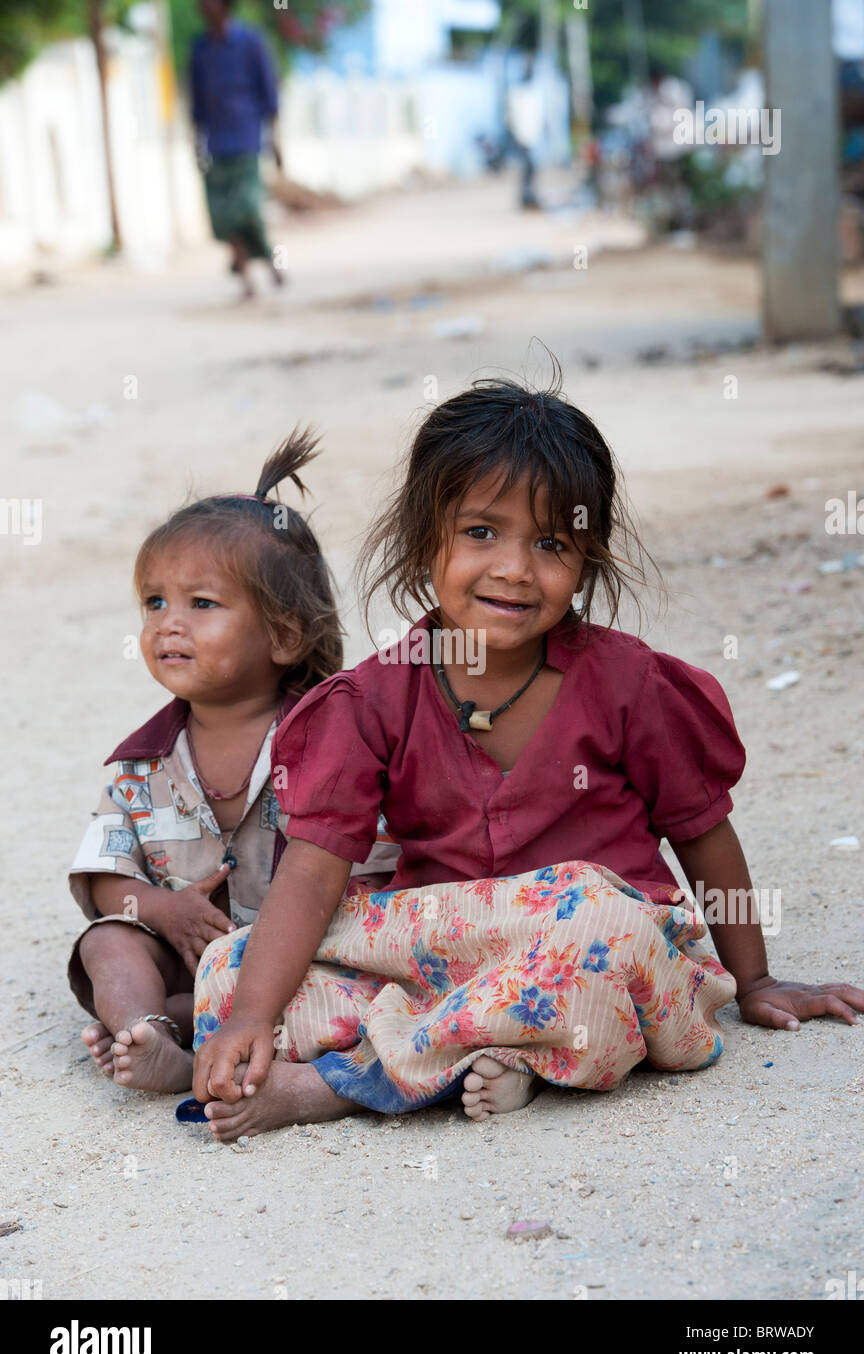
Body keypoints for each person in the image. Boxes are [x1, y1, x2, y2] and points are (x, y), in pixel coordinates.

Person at [192, 375, 864, 1141]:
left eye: (551, 544)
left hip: (587, 951)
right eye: (481, 532)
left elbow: (703, 833)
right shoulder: (372, 699)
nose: (514, 567)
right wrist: (249, 1012)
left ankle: (341, 1085)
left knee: (607, 929)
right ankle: (497, 1055)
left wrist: (756, 980)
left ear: (589, 559)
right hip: (445, 957)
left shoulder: (630, 685)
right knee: (228, 969)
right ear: (424, 537)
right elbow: (312, 874)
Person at [69, 430, 398, 1094]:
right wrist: (160, 911)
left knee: (363, 980)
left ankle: (204, 1029)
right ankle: (149, 1035)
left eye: (202, 603)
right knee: (107, 942)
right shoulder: (143, 763)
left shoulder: (333, 738)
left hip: (311, 954)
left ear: (283, 634)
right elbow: (104, 873)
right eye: (155, 602)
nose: (168, 623)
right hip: (197, 955)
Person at [191, 0, 284, 298]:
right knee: (223, 215)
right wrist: (195, 142)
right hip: (216, 144)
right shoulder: (200, 50)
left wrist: (276, 139)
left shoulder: (251, 42)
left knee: (247, 208)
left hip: (247, 139)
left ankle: (271, 259)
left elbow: (269, 94)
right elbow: (196, 105)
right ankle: (246, 280)